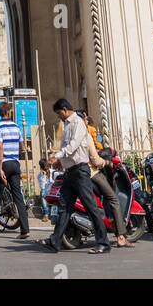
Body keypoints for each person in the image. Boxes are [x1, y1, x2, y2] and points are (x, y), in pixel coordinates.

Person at [47, 97, 109, 254]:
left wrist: (58, 155)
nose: (58, 116)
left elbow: (73, 145)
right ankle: (55, 240)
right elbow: (65, 146)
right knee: (64, 206)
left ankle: (103, 243)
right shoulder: (67, 125)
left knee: (90, 207)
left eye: (59, 113)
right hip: (70, 172)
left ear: (65, 110)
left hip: (80, 171)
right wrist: (59, 162)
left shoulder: (78, 123)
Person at [0, 100, 30, 239]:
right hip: (15, 163)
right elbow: (22, 145)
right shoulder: (16, 126)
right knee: (18, 197)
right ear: (9, 112)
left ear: (0, 113)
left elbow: (0, 147)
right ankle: (25, 229)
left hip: (5, 164)